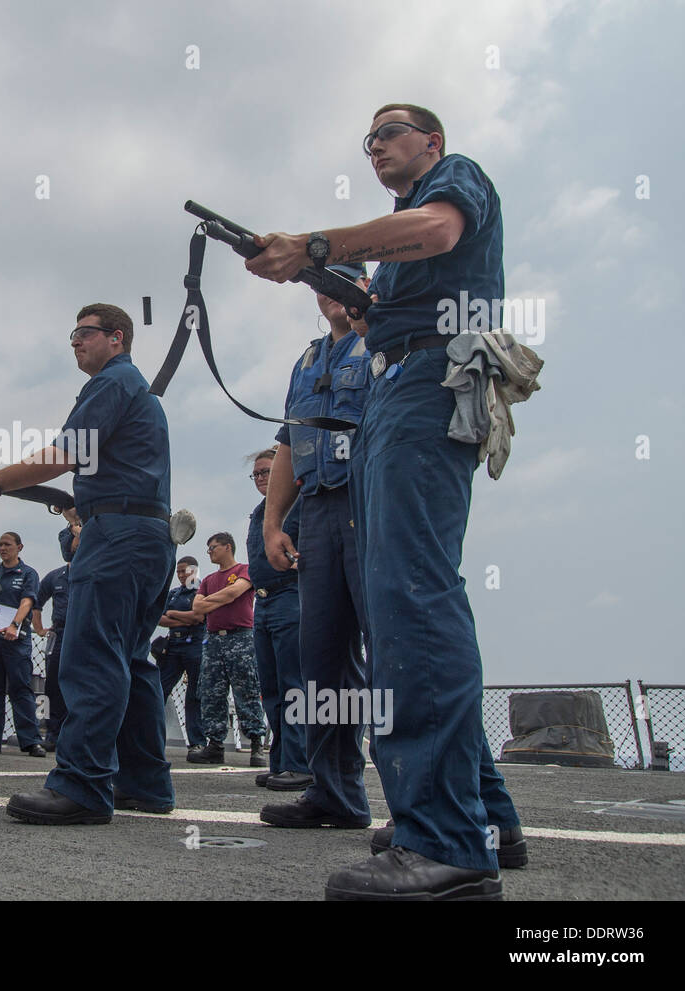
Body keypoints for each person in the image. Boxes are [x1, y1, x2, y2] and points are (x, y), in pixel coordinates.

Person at [246, 103, 525, 899]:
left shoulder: (451, 181)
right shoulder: (399, 237)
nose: (375, 145)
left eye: (390, 131)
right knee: (405, 595)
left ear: (430, 142)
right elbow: (383, 302)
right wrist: (318, 274)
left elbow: (437, 233)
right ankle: (486, 819)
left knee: (409, 597)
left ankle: (443, 841)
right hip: (395, 385)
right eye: (366, 139)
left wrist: (317, 243)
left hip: (428, 380)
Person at [0, 303, 176, 821]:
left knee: (93, 657)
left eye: (83, 333)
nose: (74, 341)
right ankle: (145, 785)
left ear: (115, 337)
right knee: (132, 660)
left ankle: (82, 785)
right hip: (147, 534)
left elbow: (64, 454)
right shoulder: (135, 391)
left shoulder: (111, 384)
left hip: (116, 536)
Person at [258, 265, 374, 824]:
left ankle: (430, 804)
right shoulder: (305, 362)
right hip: (318, 513)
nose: (330, 293)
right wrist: (273, 523)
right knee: (322, 663)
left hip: (369, 504)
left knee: (400, 653)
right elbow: (288, 441)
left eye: (343, 281)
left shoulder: (383, 339)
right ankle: (335, 794)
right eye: (321, 285)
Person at [244, 448, 309, 790]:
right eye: (256, 474)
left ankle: (300, 762)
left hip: (290, 596)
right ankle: (281, 761)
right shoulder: (260, 514)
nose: (260, 479)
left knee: (294, 683)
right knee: (271, 688)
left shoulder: (297, 505)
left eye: (267, 471)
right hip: (264, 602)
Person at [184, 533, 266, 766]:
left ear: (227, 547)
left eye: (213, 547)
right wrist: (219, 600)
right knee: (211, 693)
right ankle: (215, 744)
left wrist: (213, 600)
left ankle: (256, 745)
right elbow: (197, 607)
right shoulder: (208, 579)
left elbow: (235, 592)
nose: (209, 552)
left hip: (240, 638)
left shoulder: (244, 570)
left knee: (246, 689)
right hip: (213, 641)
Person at [0, 533, 44, 756]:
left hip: (16, 638)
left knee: (20, 688)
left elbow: (28, 601)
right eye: (0, 545)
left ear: (19, 547)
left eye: (8, 545)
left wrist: (14, 624)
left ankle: (31, 741)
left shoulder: (28, 574)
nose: (3, 548)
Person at [155, 556, 208, 757]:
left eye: (183, 571)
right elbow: (159, 618)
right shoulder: (174, 594)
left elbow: (198, 617)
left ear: (193, 571)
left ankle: (197, 742)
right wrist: (183, 618)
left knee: (195, 695)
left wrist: (173, 615)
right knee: (159, 690)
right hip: (174, 646)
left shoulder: (202, 592)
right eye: (178, 571)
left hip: (195, 645)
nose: (180, 575)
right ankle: (153, 739)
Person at [32, 559, 71, 752]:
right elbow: (36, 601)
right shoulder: (55, 576)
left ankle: (75, 736)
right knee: (53, 686)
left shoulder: (93, 572)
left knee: (83, 684)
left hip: (84, 634)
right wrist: (38, 628)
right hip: (60, 634)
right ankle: (53, 735)